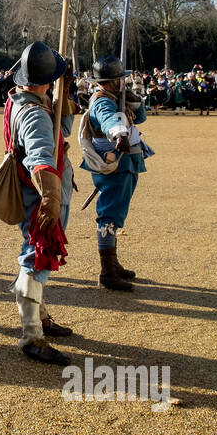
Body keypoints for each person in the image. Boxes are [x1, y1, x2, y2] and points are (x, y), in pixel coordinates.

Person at [6, 42, 76, 365]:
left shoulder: (28, 101)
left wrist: (63, 98)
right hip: (39, 197)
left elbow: (57, 134)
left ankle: (40, 316)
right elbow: (41, 159)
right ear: (45, 80)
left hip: (36, 194)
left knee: (40, 257)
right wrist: (50, 196)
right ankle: (32, 334)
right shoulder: (33, 113)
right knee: (35, 257)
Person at [81, 55, 151, 292]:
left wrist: (130, 97)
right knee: (110, 214)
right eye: (121, 78)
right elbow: (108, 119)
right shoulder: (102, 100)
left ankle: (113, 263)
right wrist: (119, 132)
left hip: (125, 162)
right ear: (112, 81)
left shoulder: (116, 97)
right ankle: (107, 271)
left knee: (117, 212)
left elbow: (140, 117)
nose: (124, 81)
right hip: (115, 162)